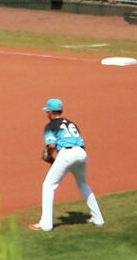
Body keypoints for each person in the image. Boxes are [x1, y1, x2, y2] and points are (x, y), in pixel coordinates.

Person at [29, 97, 104, 232]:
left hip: (66, 154)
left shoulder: (50, 126)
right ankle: (98, 219)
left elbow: (51, 146)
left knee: (48, 186)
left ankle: (46, 224)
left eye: (47, 111)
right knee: (83, 184)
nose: (47, 114)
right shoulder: (71, 124)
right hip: (81, 153)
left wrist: (55, 160)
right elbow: (82, 144)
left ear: (50, 113)